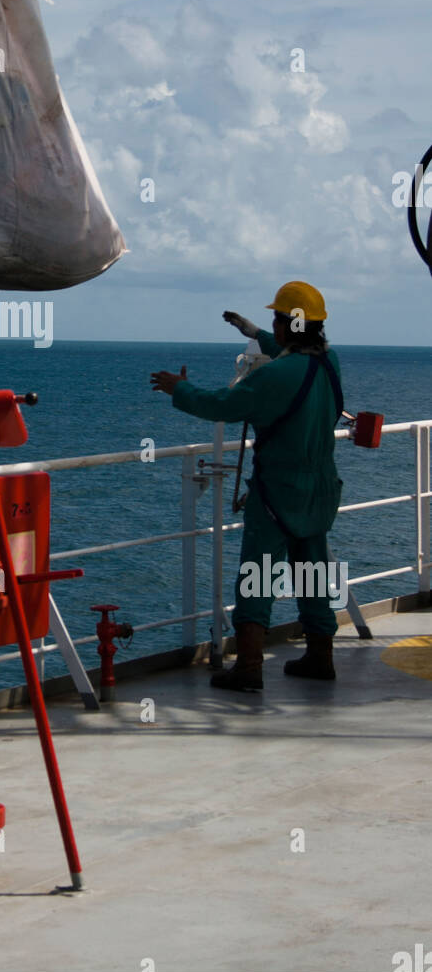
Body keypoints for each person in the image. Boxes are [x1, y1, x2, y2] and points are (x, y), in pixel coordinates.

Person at [150, 282, 344, 692]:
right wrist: (257, 334)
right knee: (313, 571)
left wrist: (179, 388)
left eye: (277, 318)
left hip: (277, 491)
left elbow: (223, 405)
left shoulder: (273, 376)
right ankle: (321, 656)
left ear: (288, 324)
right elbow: (297, 352)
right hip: (321, 488)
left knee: (258, 576)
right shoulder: (331, 364)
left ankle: (250, 667)